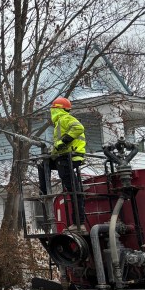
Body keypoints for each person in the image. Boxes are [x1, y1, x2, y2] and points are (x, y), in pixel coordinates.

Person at [50, 97, 86, 228]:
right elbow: (59, 146)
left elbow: (78, 128)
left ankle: (78, 223)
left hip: (69, 158)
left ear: (57, 109)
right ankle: (45, 193)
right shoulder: (60, 122)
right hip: (66, 157)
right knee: (44, 164)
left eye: (53, 109)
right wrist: (52, 153)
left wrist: (63, 141)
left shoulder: (64, 118)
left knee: (74, 190)